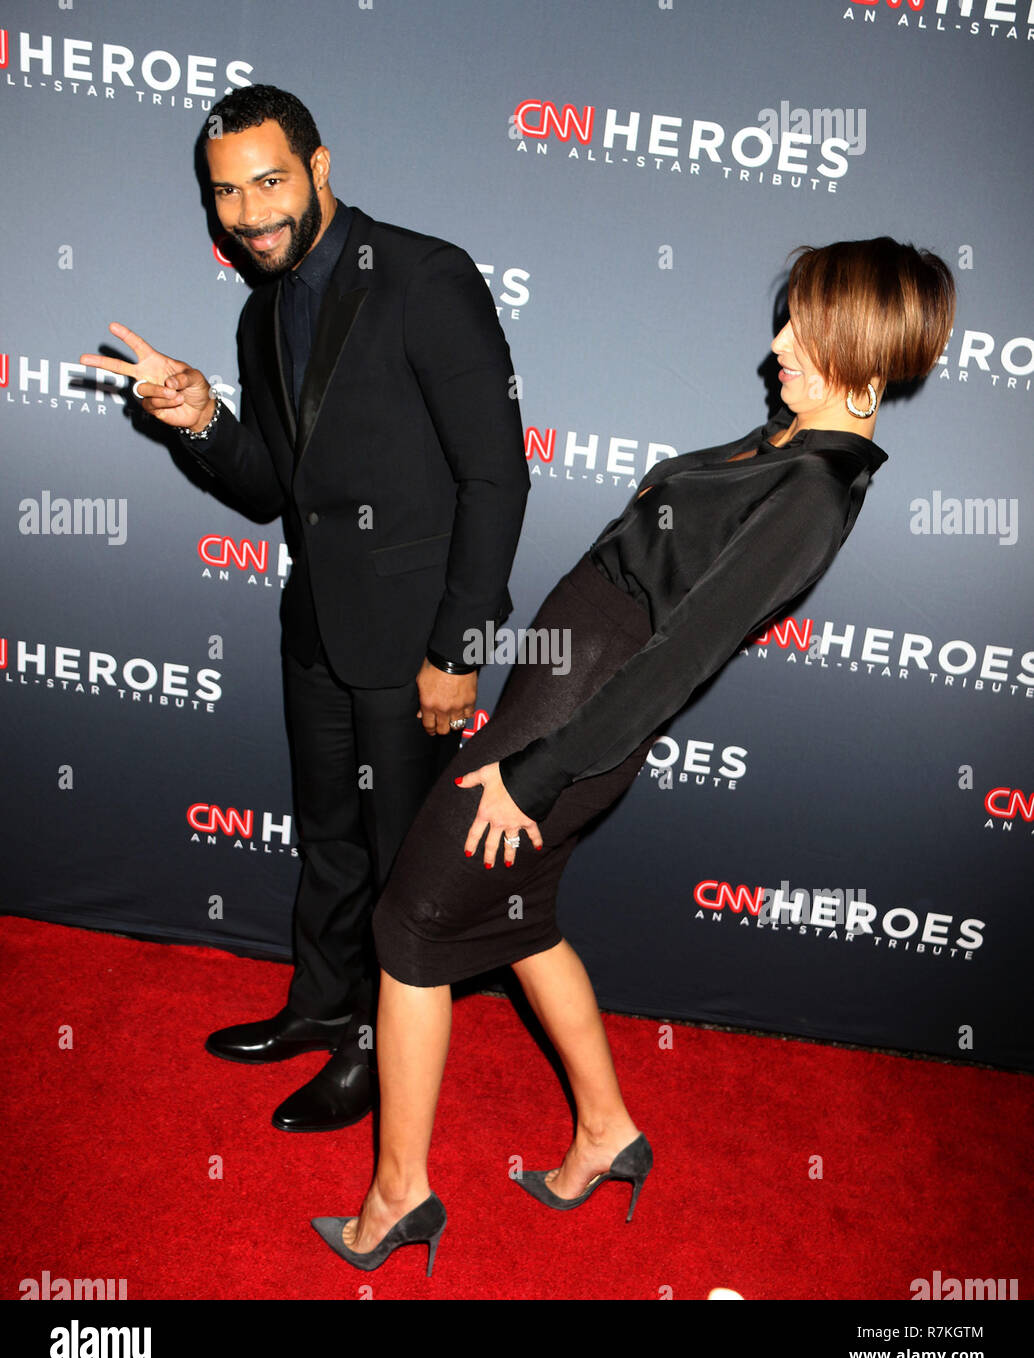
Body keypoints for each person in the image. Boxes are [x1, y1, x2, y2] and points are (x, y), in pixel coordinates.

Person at [308, 237, 956, 1273]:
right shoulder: (791, 444)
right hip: (562, 694)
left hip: (575, 718)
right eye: (784, 316)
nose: (776, 341)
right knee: (520, 919)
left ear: (865, 350)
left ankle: (398, 1193)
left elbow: (678, 660)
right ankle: (606, 1132)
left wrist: (538, 765)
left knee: (409, 926)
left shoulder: (811, 494)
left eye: (803, 327)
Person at [80, 86, 529, 1133]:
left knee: (396, 859)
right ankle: (320, 1008)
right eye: (226, 194)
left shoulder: (425, 276)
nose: (248, 214)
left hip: (412, 642)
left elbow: (496, 477)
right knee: (330, 839)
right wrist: (198, 422)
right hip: (317, 629)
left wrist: (456, 647)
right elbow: (273, 487)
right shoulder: (259, 309)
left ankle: (380, 1048)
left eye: (269, 182)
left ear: (320, 168)